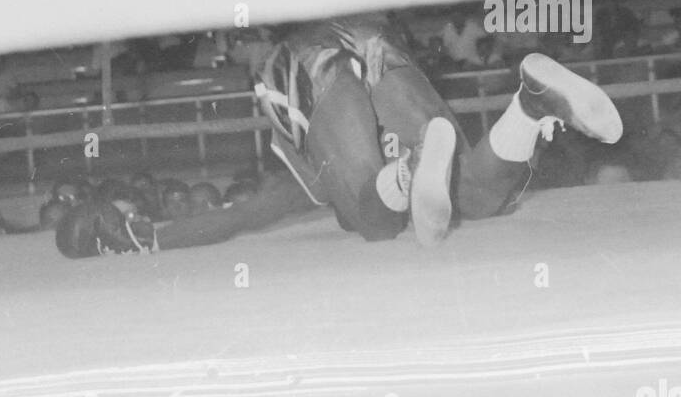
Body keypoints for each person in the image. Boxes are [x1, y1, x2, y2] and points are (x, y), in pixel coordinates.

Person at [56, 16, 623, 257]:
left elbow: (249, 214)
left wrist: (155, 238)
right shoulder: (301, 141)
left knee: (367, 219)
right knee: (473, 195)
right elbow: (263, 206)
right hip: (371, 40)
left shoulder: (271, 87)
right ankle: (529, 103)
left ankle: (405, 174)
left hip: (310, 72)